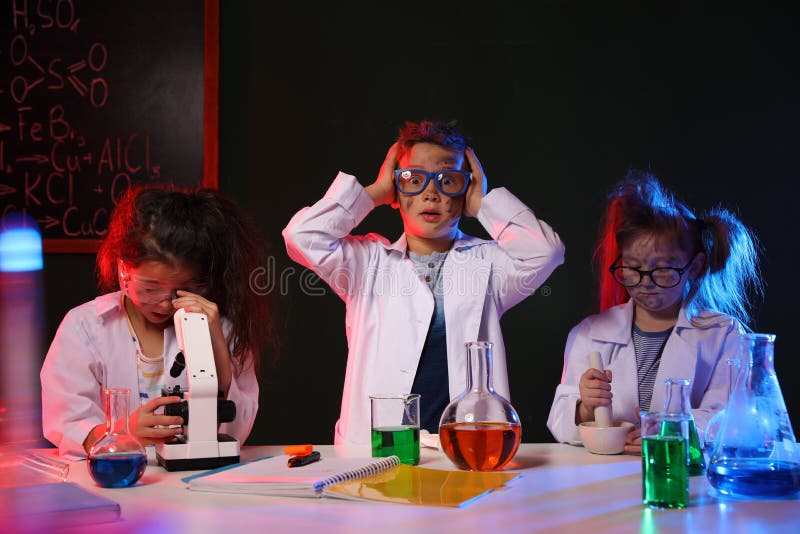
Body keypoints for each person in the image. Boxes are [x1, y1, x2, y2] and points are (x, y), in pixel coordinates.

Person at [283, 119, 565, 444]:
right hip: (379, 450)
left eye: (448, 180)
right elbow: (300, 236)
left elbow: (547, 252)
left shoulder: (489, 264)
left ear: (465, 189)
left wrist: (483, 203)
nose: (431, 192)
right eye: (413, 179)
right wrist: (373, 194)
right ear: (396, 189)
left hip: (466, 448)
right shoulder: (366, 263)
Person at [41, 186, 271, 458]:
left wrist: (218, 346)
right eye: (150, 288)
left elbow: (236, 432)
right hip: (116, 478)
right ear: (124, 268)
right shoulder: (86, 328)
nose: (165, 303)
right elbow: (65, 422)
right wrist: (121, 431)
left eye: (183, 289)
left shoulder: (218, 327)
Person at [547, 171, 763, 454]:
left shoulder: (725, 334)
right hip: (605, 475)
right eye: (633, 268)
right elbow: (559, 420)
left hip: (683, 475)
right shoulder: (590, 333)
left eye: (662, 269)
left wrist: (664, 430)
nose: (645, 282)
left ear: (694, 267)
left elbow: (729, 417)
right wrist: (585, 408)